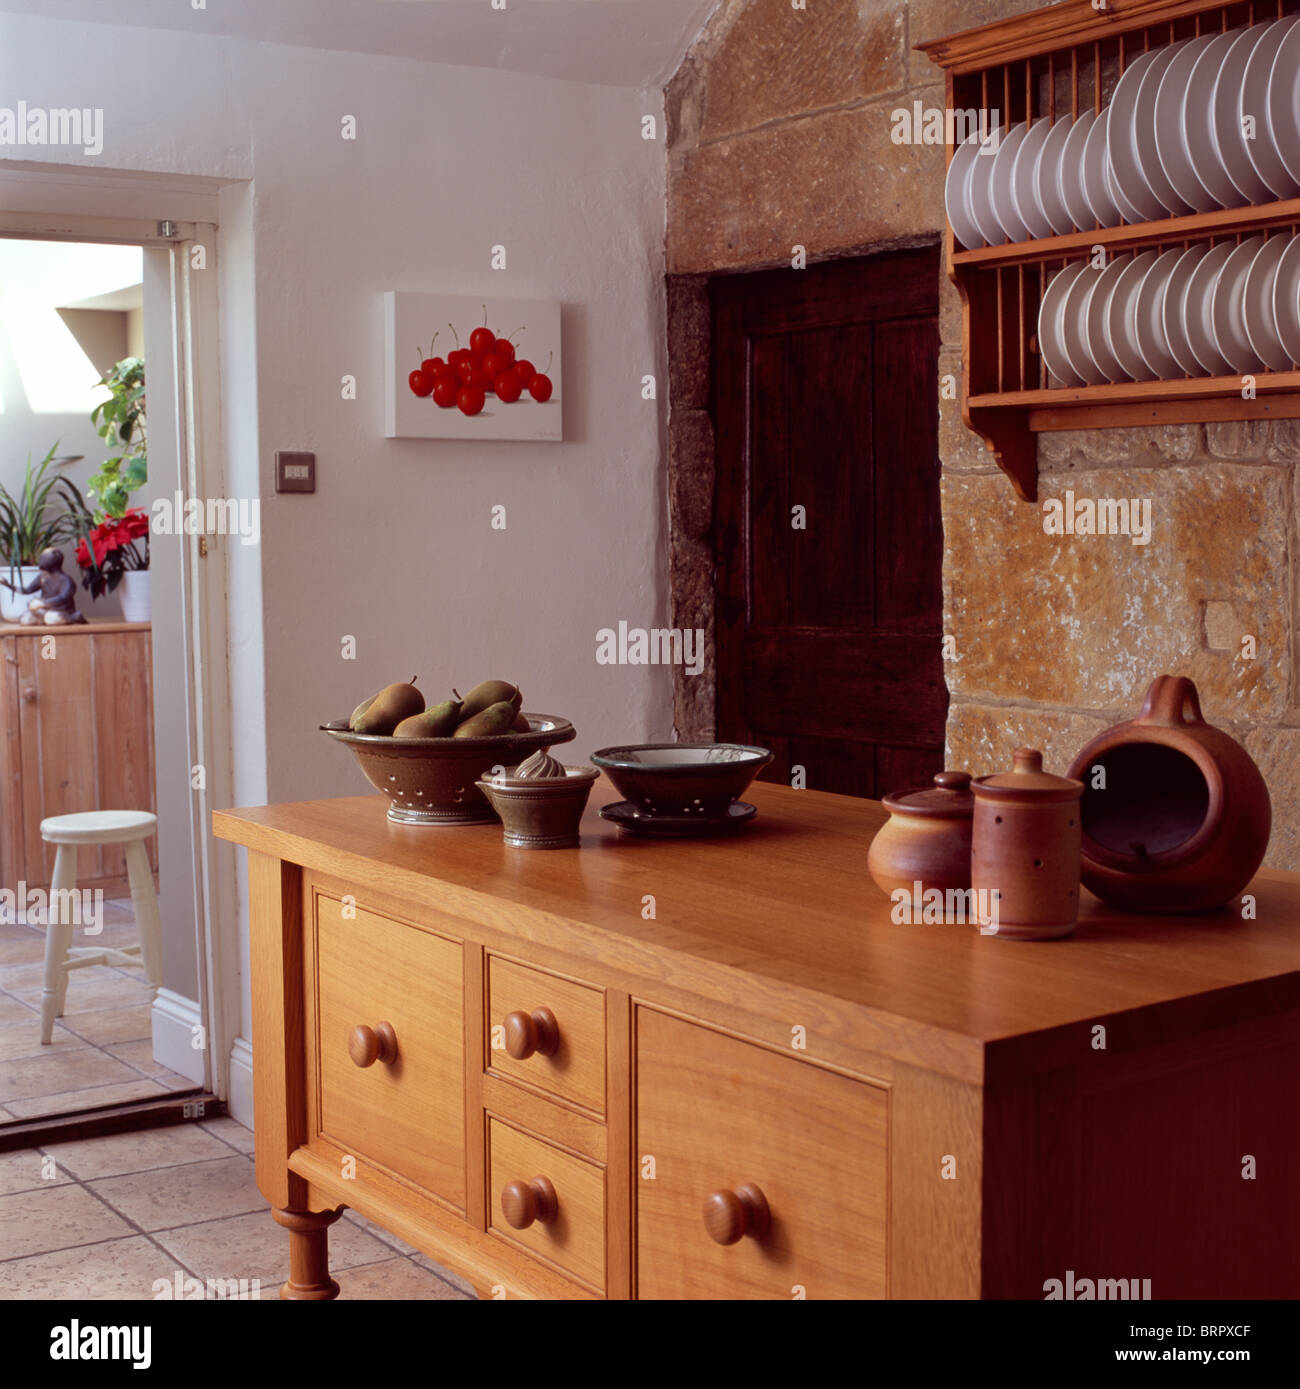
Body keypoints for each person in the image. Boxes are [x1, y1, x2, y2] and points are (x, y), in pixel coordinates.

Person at [0, 548, 87, 624]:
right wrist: (8, 585)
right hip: (45, 610)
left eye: (43, 558)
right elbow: (27, 590)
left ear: (54, 561)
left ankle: (74, 617)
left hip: (62, 610)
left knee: (52, 619)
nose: (40, 560)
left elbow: (62, 598)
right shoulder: (42, 577)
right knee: (26, 619)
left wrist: (42, 603)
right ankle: (44, 617)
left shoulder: (66, 580)